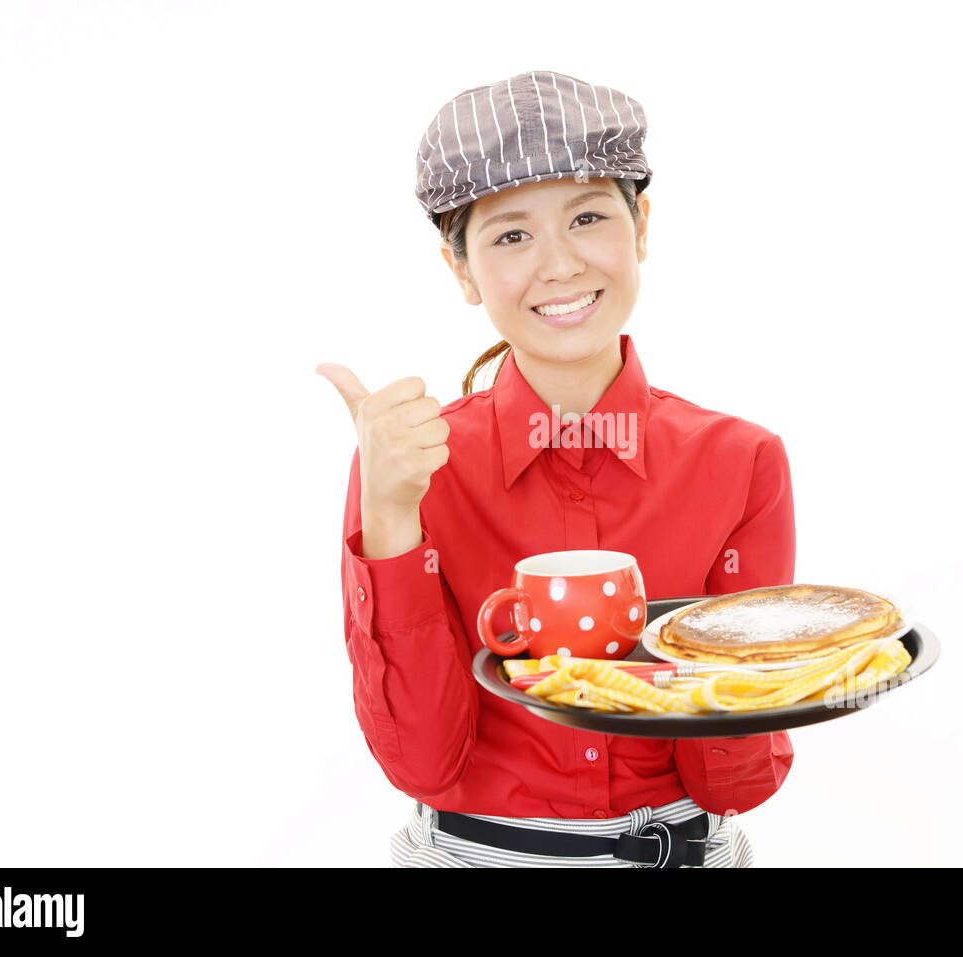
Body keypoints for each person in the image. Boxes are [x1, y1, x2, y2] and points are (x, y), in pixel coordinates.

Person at [316, 70, 796, 867]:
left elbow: (732, 781)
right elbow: (423, 762)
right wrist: (393, 517)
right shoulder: (410, 464)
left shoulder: (741, 462)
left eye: (588, 216)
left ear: (641, 224)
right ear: (460, 268)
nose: (561, 264)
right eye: (511, 235)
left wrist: (743, 674)